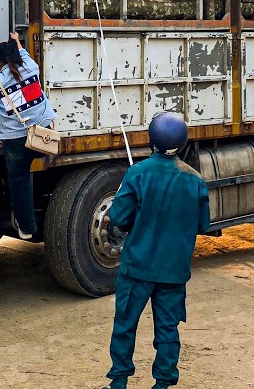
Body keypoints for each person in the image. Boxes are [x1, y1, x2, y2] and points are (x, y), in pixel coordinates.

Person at [102, 112, 211, 389]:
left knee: (125, 325)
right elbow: (202, 224)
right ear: (183, 142)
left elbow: (119, 218)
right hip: (174, 270)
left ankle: (119, 382)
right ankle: (162, 383)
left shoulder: (136, 174)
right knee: (167, 328)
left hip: (137, 266)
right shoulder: (195, 180)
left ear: (151, 140)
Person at [0, 31, 56, 240]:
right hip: (43, 132)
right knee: (27, 169)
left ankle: (27, 229)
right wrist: (17, 40)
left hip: (17, 139)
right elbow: (23, 54)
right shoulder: (31, 67)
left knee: (19, 181)